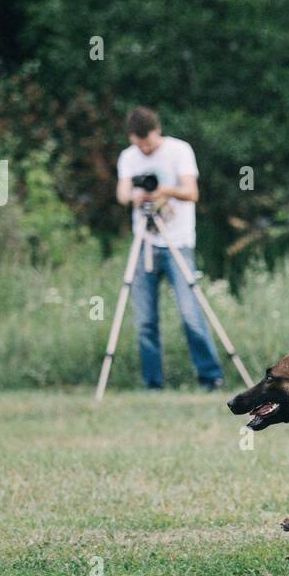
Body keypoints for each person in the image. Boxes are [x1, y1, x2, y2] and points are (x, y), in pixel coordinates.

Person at [116, 106, 225, 391]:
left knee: (190, 313)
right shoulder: (128, 157)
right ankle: (152, 383)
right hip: (145, 243)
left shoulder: (180, 150)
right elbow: (122, 194)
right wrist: (137, 195)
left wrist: (164, 190)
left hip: (177, 241)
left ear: (157, 131)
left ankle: (210, 376)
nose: (145, 150)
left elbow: (191, 193)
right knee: (145, 320)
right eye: (139, 145)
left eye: (148, 144)